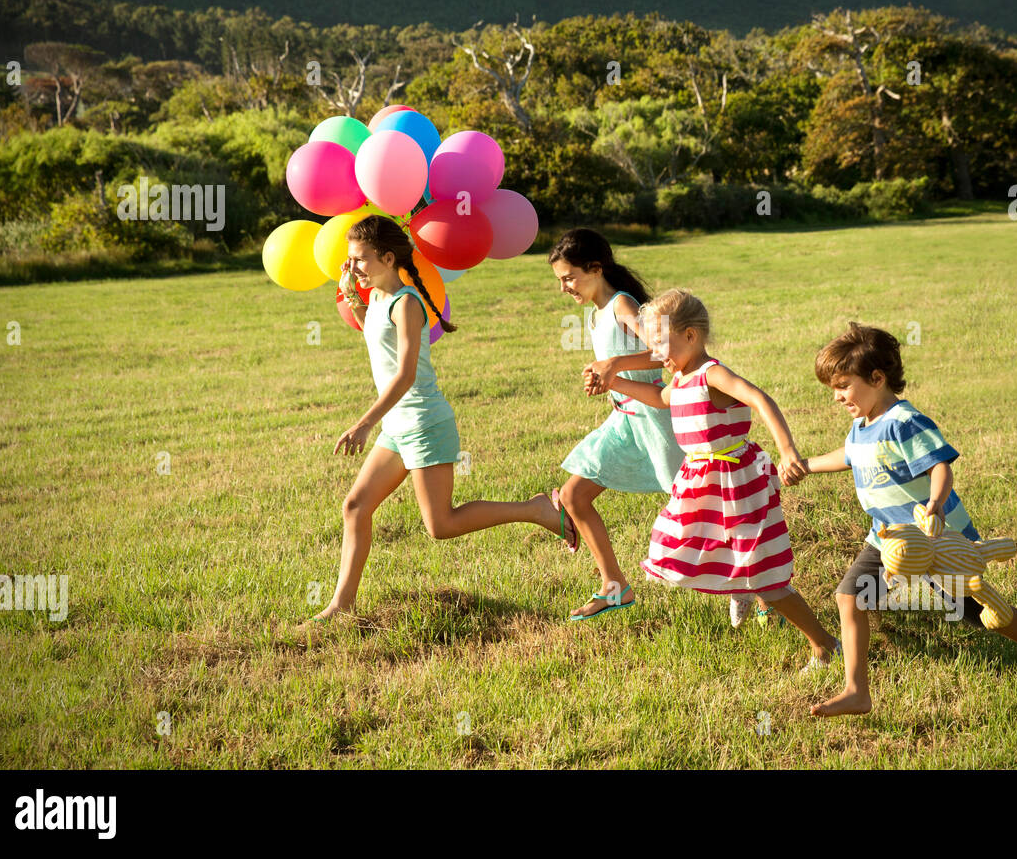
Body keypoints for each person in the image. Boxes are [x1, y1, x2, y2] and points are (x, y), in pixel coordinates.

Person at [304, 215, 577, 626]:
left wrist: (363, 424)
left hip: (424, 423)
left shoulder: (407, 303)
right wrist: (354, 298)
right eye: (350, 259)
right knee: (356, 506)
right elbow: (376, 343)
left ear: (387, 257)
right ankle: (341, 605)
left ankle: (537, 509)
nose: (351, 266)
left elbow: (405, 373)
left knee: (441, 525)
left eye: (359, 260)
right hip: (398, 427)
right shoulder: (377, 298)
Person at [792, 322, 1017, 716]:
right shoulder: (862, 423)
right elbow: (849, 456)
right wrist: (805, 466)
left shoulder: (904, 422)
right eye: (833, 389)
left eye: (843, 386)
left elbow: (940, 466)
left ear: (877, 378)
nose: (837, 397)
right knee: (849, 597)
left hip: (936, 540)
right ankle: (857, 690)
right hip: (888, 540)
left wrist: (936, 504)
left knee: (979, 614)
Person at [603, 289, 841, 673]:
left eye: (661, 343)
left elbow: (759, 399)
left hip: (736, 484)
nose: (656, 353)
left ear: (691, 336)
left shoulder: (710, 374)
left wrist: (787, 452)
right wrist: (614, 381)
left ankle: (826, 645)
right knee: (679, 546)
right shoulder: (680, 379)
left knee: (765, 575)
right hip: (703, 484)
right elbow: (660, 398)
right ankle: (741, 586)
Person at [549, 229, 684, 619]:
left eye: (569, 277)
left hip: (657, 422)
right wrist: (602, 377)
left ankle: (763, 591)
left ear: (596, 268)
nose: (564, 288)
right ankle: (615, 587)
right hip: (624, 421)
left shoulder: (623, 305)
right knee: (574, 496)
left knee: (700, 508)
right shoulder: (597, 314)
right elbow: (616, 366)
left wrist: (615, 365)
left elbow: (667, 353)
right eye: (560, 280)